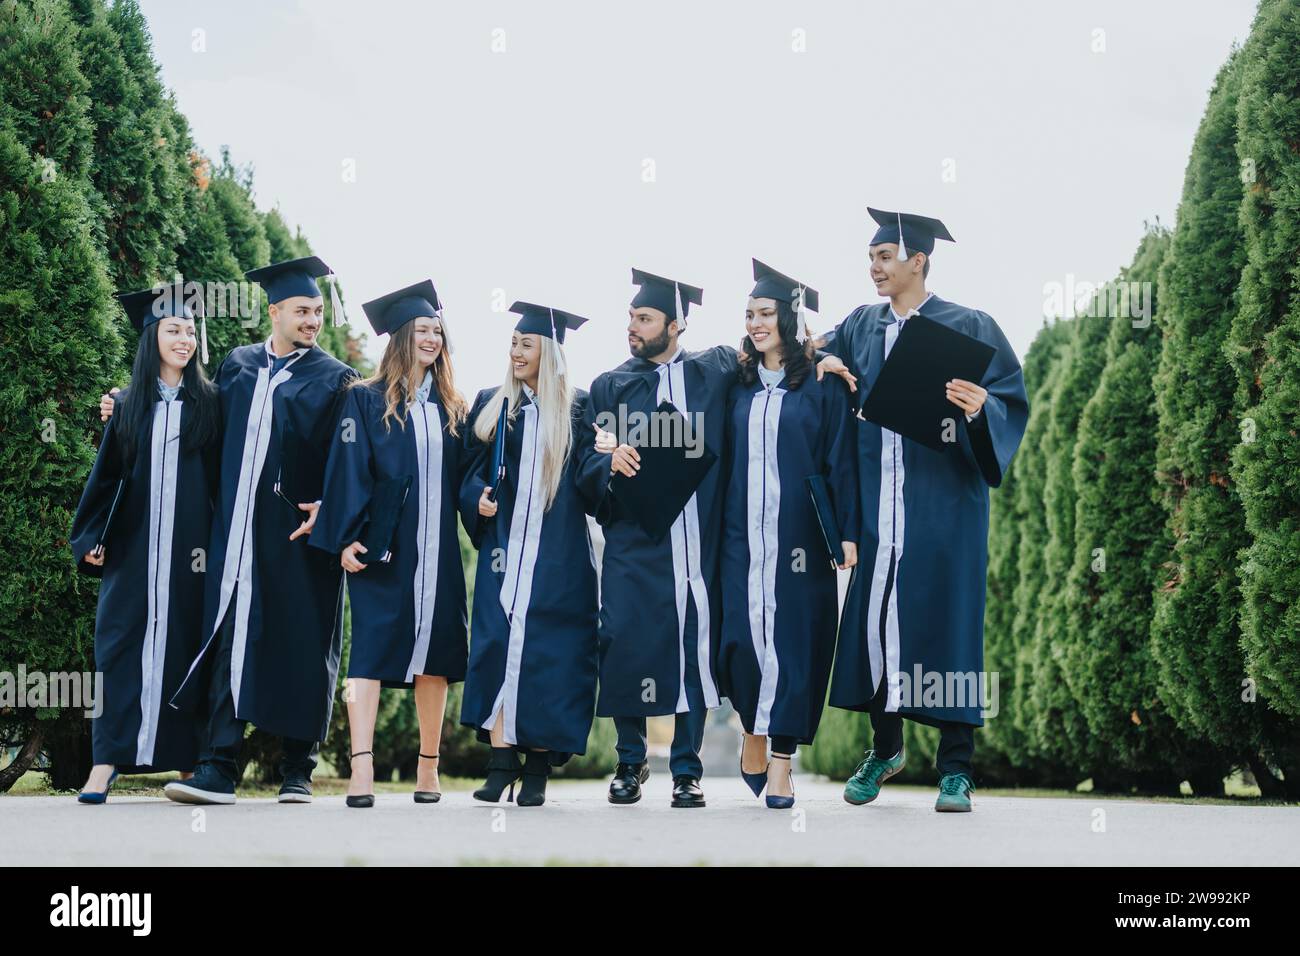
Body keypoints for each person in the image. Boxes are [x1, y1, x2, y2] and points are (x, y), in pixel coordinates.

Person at [103, 256, 358, 804]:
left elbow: (350, 459)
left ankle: (297, 767)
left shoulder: (336, 377)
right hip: (233, 536)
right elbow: (195, 417)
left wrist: (331, 508)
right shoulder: (238, 365)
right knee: (225, 640)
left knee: (303, 642)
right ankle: (218, 765)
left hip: (297, 539)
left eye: (317, 311)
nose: (312, 321)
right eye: (302, 311)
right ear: (275, 312)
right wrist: (127, 402)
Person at [815, 209, 1028, 812]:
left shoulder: (970, 325)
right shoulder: (860, 325)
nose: (875, 268)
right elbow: (804, 353)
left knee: (949, 623)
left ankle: (956, 768)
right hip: (878, 509)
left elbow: (1010, 401)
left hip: (944, 507)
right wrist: (821, 361)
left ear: (918, 261)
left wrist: (980, 408)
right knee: (877, 621)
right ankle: (885, 748)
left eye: (885, 257)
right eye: (871, 258)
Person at [311, 280, 470, 808]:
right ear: (402, 336)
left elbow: (467, 481)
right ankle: (362, 768)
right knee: (370, 653)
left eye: (437, 331)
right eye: (422, 330)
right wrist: (344, 539)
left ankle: (428, 768)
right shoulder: (365, 398)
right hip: (383, 547)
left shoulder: (453, 409)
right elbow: (347, 471)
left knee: (436, 656)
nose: (432, 339)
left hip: (439, 552)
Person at [70, 283, 221, 803]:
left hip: (191, 555)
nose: (184, 340)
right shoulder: (128, 405)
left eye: (191, 332)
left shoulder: (211, 405)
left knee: (187, 646)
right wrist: (92, 537)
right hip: (133, 552)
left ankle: (188, 761)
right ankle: (104, 763)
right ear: (152, 337)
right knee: (117, 647)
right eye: (174, 330)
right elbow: (106, 477)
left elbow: (224, 482)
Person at [718, 261, 860, 810]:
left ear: (788, 318)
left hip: (799, 537)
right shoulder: (734, 384)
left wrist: (846, 531)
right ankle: (752, 728)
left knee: (796, 645)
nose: (755, 323)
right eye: (749, 314)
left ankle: (781, 762)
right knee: (739, 642)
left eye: (765, 313)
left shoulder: (821, 386)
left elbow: (841, 458)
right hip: (739, 540)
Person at [457, 302, 600, 808]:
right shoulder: (493, 403)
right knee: (497, 644)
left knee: (551, 656)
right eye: (513, 344)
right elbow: (468, 470)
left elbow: (592, 480)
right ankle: (501, 764)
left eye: (526, 345)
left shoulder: (581, 410)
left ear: (550, 353)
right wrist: (475, 496)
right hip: (504, 553)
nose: (516, 353)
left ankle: (537, 768)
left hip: (559, 557)